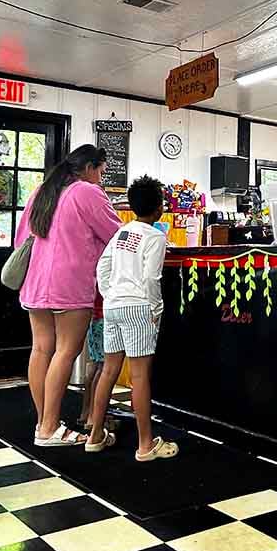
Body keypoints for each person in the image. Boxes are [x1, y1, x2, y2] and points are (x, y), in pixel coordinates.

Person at [15, 144, 121, 446]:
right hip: (70, 284)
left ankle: (45, 423)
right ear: (89, 168)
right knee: (65, 351)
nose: (101, 179)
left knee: (40, 350)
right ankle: (49, 428)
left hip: (35, 282)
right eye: (101, 172)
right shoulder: (86, 192)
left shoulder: (41, 191)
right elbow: (117, 235)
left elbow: (21, 240)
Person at [87, 175, 178, 462]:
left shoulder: (121, 233)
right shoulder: (155, 237)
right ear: (159, 208)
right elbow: (151, 278)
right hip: (138, 308)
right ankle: (145, 445)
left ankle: (95, 436)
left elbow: (102, 267)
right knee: (139, 376)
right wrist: (156, 309)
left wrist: (110, 294)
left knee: (108, 371)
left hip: (113, 306)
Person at [77, 289, 105, 431]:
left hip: (94, 318)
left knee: (95, 365)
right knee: (103, 369)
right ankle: (93, 417)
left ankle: (86, 412)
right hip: (104, 319)